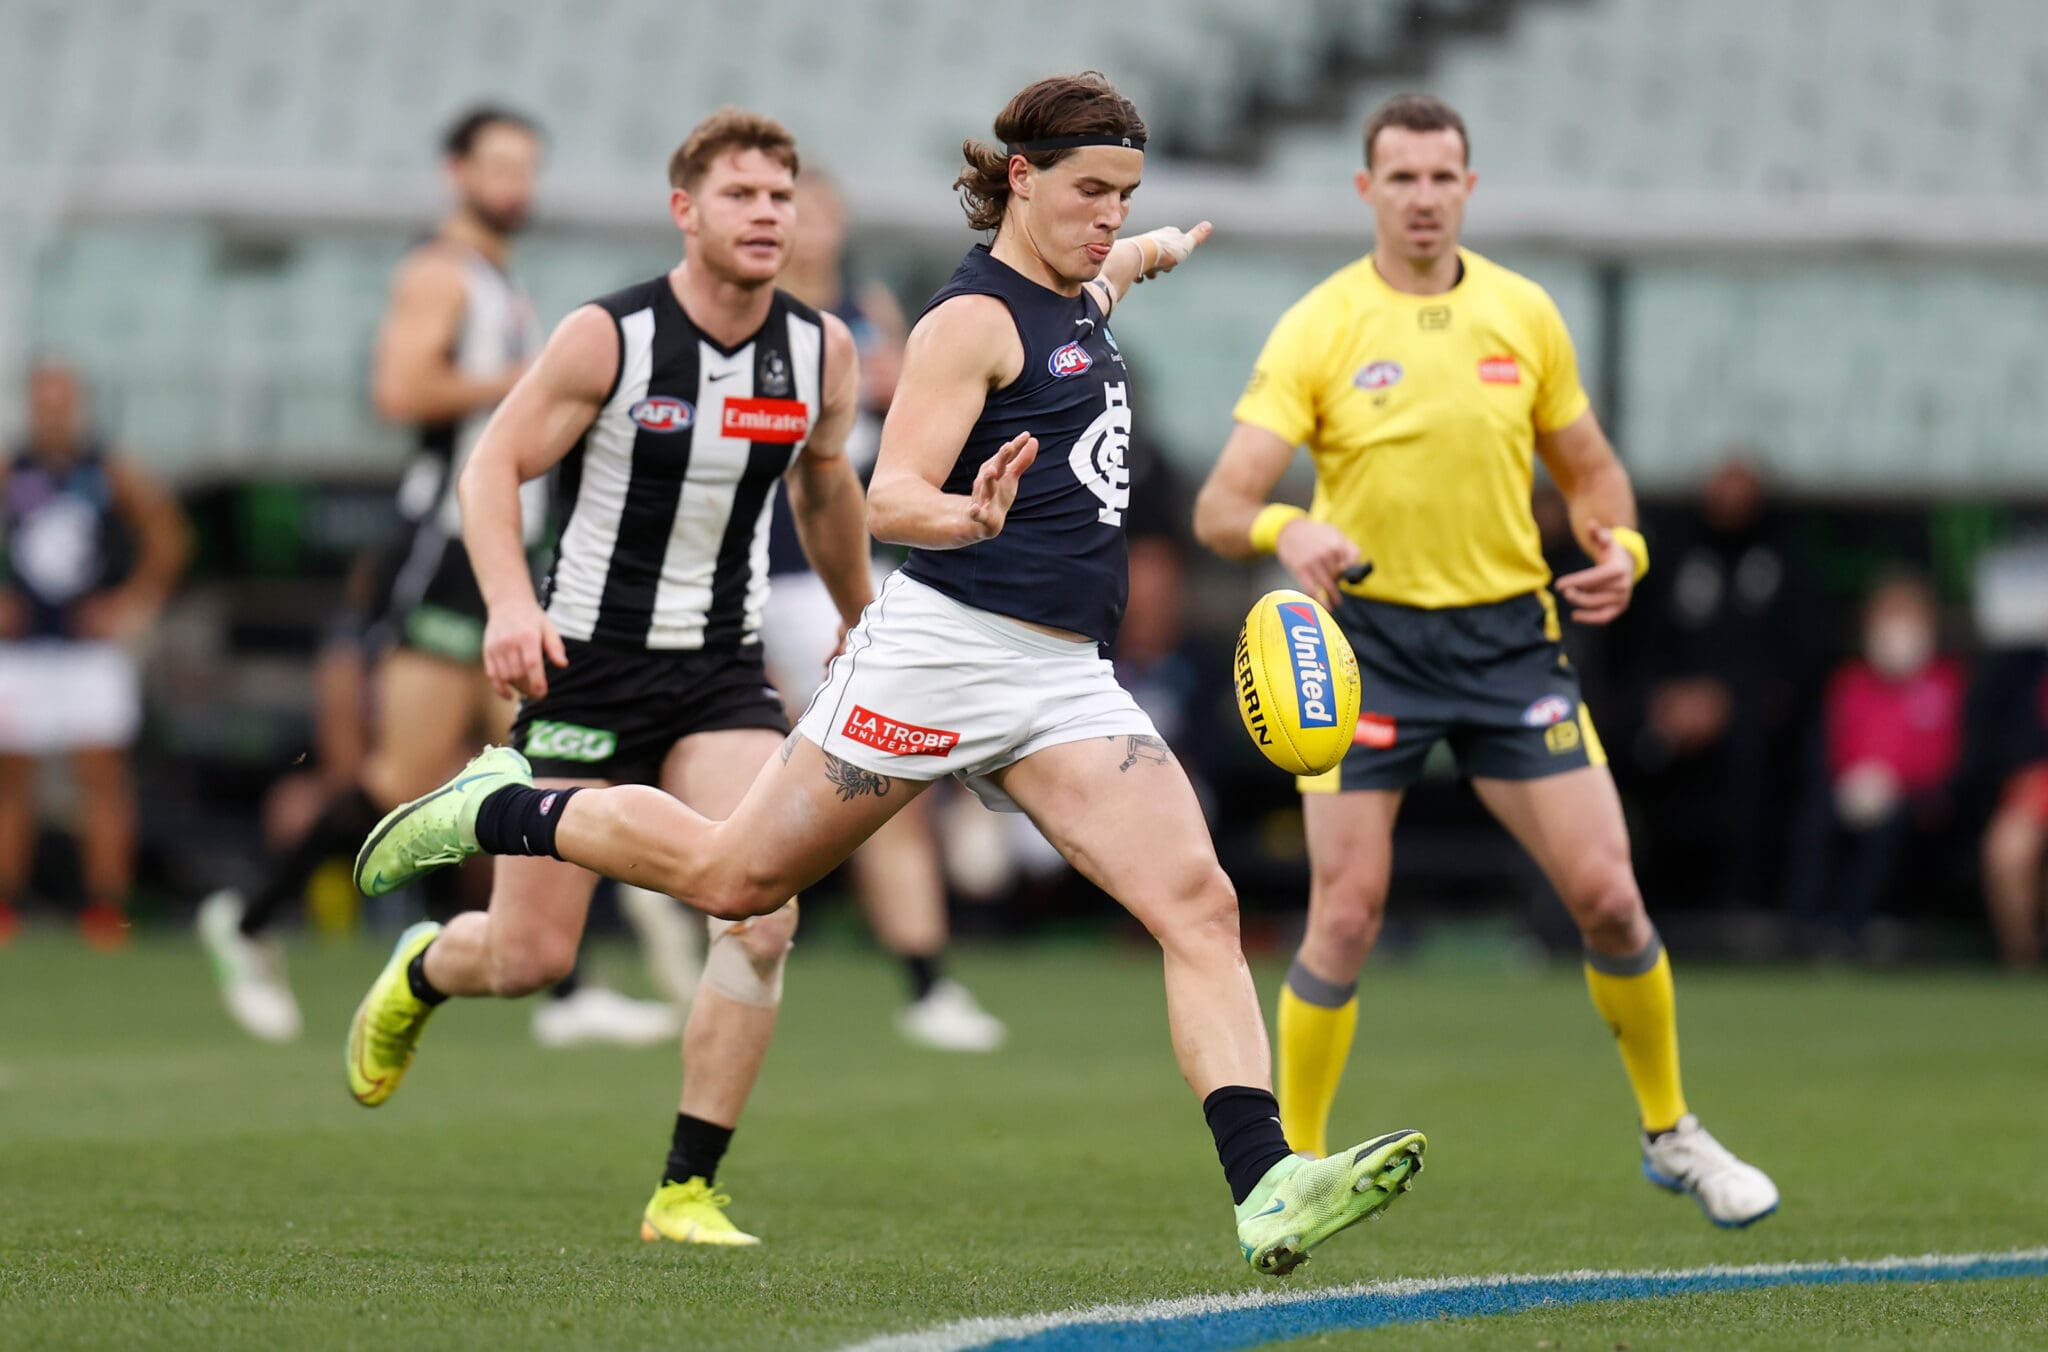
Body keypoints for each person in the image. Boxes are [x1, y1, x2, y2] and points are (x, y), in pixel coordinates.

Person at [350, 72, 1427, 1276]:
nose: (1109, 217)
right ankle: (501, 807)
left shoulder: (1081, 285)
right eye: (1090, 192)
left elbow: (1109, 279)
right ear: (1020, 180)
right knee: (732, 878)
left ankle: (1264, 1180)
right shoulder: (968, 319)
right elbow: (885, 491)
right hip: (945, 652)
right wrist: (961, 514)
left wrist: (1161, 247)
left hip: (1062, 679)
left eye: (1125, 195)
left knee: (1200, 901)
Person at [1192, 93, 1776, 1228]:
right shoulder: (1320, 325)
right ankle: (1289, 1175)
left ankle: (1670, 1131)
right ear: (1365, 191)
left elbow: (1595, 475)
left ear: (1469, 187)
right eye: (1399, 177)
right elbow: (1220, 505)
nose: (1421, 196)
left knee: (1607, 895)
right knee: (1345, 914)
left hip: (1509, 639)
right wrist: (1284, 528)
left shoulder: (1522, 313)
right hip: (1368, 646)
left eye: (1440, 176)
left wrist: (1628, 547)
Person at [346, 107, 883, 1247]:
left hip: (721, 670)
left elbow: (825, 488)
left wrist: (861, 613)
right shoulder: (611, 336)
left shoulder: (819, 349)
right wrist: (507, 601)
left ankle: (686, 1188)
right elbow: (493, 461)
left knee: (758, 908)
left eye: (780, 196)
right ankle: (424, 968)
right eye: (740, 195)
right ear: (684, 211)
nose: (766, 215)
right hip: (586, 669)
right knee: (528, 957)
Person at [197, 106, 676, 1048]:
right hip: (446, 544)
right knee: (404, 778)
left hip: (497, 546)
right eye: (499, 166)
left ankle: (568, 986)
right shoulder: (438, 274)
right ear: (457, 172)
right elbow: (400, 390)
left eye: (527, 168)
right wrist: (533, 380)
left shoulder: (494, 277)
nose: (516, 185)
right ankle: (248, 921)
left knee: (547, 758)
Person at [760, 169, 1005, 1052]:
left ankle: (928, 983)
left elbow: (919, 426)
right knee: (768, 787)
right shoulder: (751, 323)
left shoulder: (867, 311)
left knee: (868, 782)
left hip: (839, 578)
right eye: (791, 209)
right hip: (753, 579)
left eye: (821, 207)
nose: (806, 226)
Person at [0, 360, 191, 948]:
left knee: (102, 778)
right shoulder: (13, 470)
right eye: (45, 401)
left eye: (63, 401)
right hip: (25, 648)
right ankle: (8, 904)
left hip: (88, 651)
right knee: (13, 779)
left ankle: (105, 907)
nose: (54, 412)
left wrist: (132, 602)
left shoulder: (108, 469)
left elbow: (168, 533)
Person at [1787, 572, 1965, 952]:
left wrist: (1897, 785)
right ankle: (1803, 930)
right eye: (1887, 617)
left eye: (1907, 618)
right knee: (1815, 821)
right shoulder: (1849, 683)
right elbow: (1826, 750)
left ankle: (1855, 931)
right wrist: (1850, 784)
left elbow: (1948, 761)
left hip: (1915, 801)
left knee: (1890, 827)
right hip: (1848, 792)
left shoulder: (1946, 683)